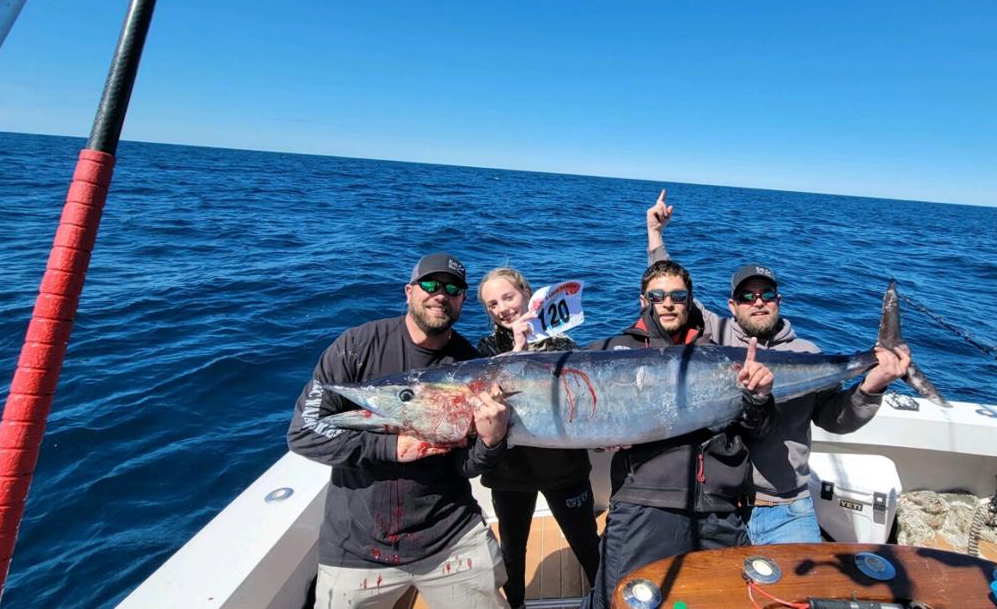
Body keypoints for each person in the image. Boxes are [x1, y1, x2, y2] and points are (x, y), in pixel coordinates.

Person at [644, 189, 911, 544]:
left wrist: (872, 386)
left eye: (766, 295)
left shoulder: (807, 352)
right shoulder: (717, 332)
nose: (758, 302)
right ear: (732, 304)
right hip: (717, 502)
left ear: (779, 302)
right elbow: (669, 295)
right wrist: (655, 235)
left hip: (785, 505)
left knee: (802, 597)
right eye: (747, 297)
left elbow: (836, 419)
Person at [287, 252, 513, 609]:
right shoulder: (356, 346)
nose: (441, 294)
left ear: (462, 301)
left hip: (449, 536)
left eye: (452, 288)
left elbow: (466, 466)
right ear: (409, 291)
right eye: (430, 284)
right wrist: (390, 448)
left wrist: (491, 440)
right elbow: (304, 432)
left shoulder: (471, 365)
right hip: (355, 546)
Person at [581, 259, 778, 609]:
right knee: (623, 600)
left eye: (678, 295)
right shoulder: (610, 350)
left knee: (729, 601)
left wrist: (758, 399)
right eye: (657, 296)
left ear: (689, 301)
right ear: (643, 300)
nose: (668, 303)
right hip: (645, 505)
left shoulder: (718, 353)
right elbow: (576, 411)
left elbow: (758, 430)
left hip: (720, 507)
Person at [474, 267, 600, 609]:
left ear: (527, 295)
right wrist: (516, 350)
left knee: (587, 543)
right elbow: (486, 389)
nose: (502, 308)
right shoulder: (485, 349)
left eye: (508, 297)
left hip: (565, 469)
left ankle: (606, 600)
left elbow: (580, 394)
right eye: (492, 304)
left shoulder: (561, 342)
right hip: (509, 474)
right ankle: (515, 605)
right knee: (512, 552)